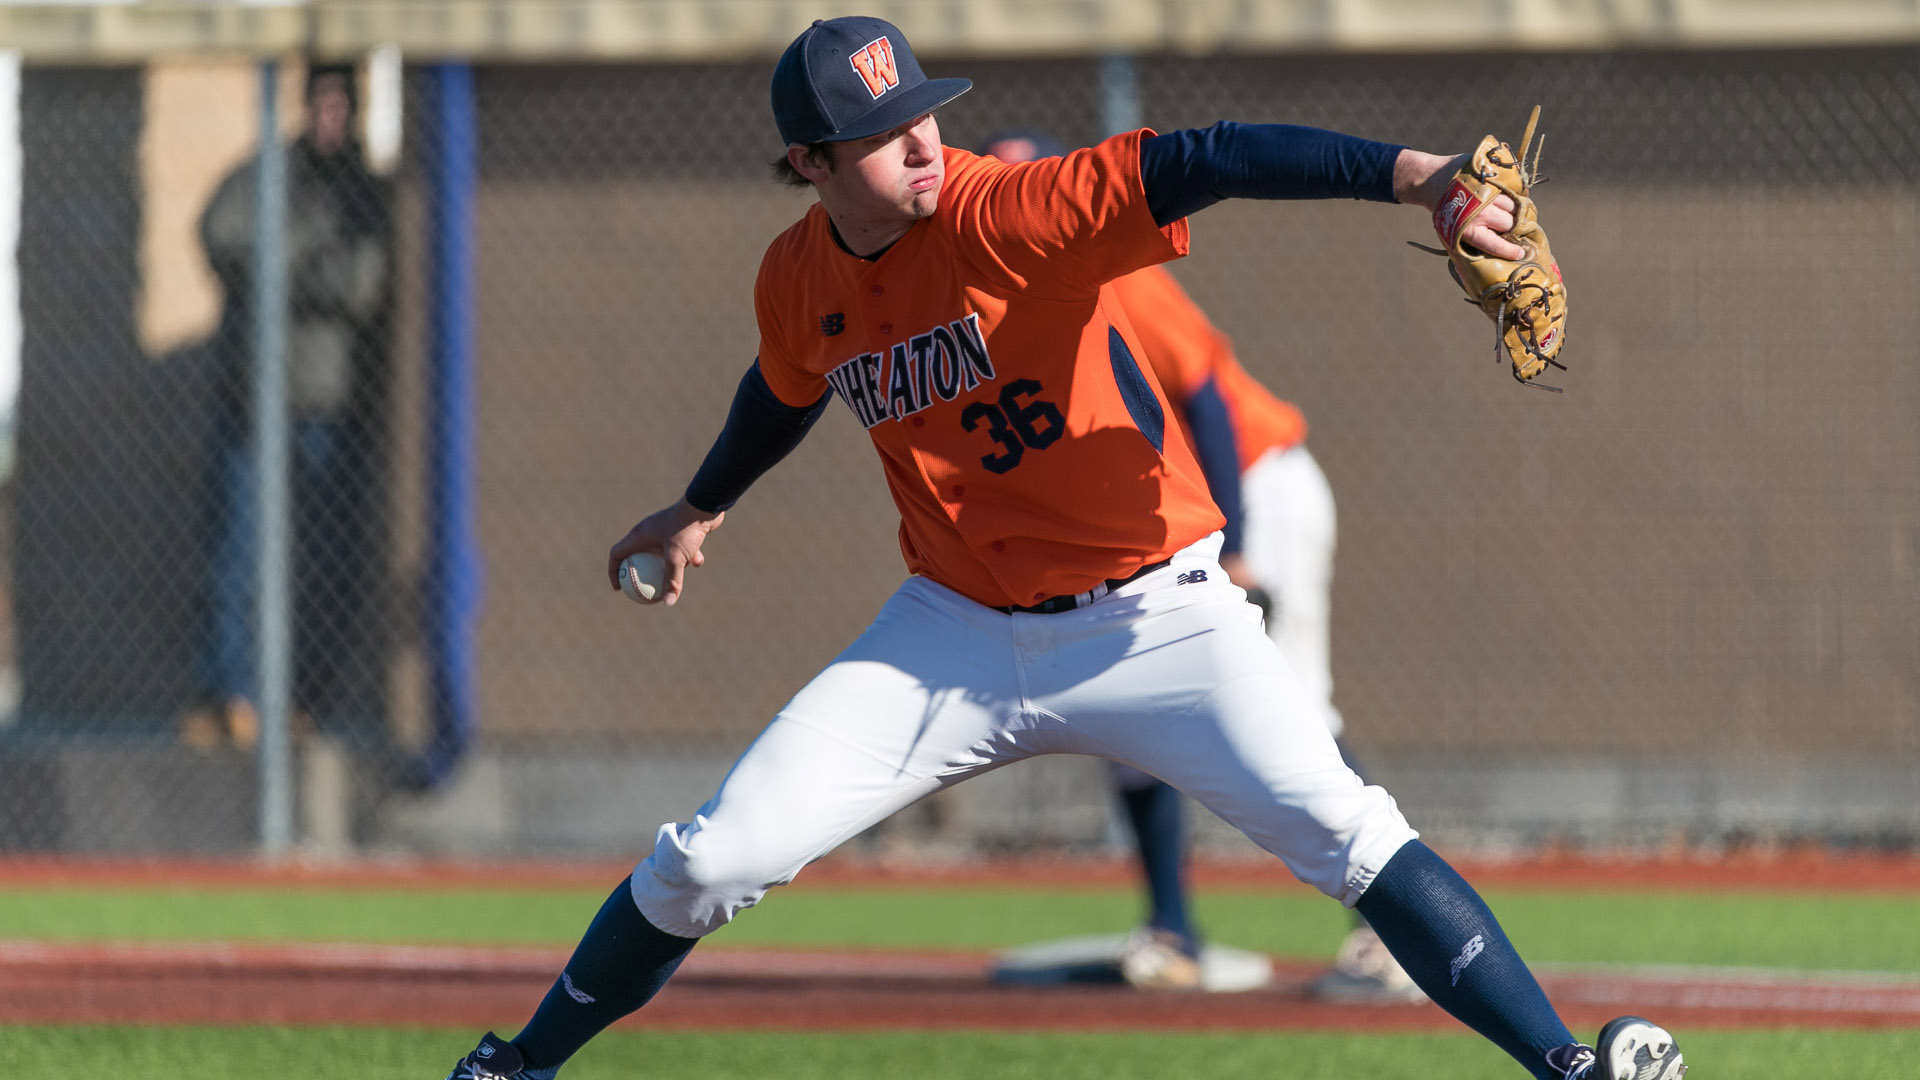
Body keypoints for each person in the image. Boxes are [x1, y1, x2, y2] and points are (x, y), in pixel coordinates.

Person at [442, 17, 1685, 1080]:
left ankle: (1570, 1068)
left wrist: (1420, 176)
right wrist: (701, 503)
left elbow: (1214, 156)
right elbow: (787, 387)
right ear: (809, 162)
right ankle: (515, 1065)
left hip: (1160, 614)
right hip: (954, 634)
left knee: (1352, 836)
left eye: (924, 112)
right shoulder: (795, 275)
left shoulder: (1005, 208)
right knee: (711, 858)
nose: (923, 140)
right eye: (884, 134)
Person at [975, 128, 1422, 1001]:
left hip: (1253, 485)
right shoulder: (994, 292)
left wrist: (1239, 542)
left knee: (1294, 706)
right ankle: (1173, 931)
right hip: (1166, 509)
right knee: (1122, 717)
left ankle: (1394, 935)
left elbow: (1206, 391)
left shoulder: (1102, 265)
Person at [185, 61, 394, 750]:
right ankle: (234, 697)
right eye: (321, 102)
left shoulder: (363, 190)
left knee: (322, 561)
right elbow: (221, 232)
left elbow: (363, 282)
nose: (330, 115)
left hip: (327, 409)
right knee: (238, 553)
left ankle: (304, 702)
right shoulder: (270, 172)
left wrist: (281, 259)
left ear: (357, 111)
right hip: (254, 404)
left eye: (342, 103)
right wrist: (306, 257)